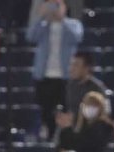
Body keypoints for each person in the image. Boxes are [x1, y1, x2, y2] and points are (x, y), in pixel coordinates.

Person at [27, 0, 84, 138]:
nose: (54, 7)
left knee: (66, 109)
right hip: (44, 76)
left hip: (65, 76)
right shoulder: (43, 25)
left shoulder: (73, 24)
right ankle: (47, 136)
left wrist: (62, 19)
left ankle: (66, 138)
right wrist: (42, 16)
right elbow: (31, 36)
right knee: (46, 111)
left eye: (57, 4)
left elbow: (77, 37)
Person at [65, 51, 105, 125]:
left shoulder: (97, 88)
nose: (71, 69)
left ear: (86, 68)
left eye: (76, 65)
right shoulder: (69, 85)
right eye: (71, 65)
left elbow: (99, 115)